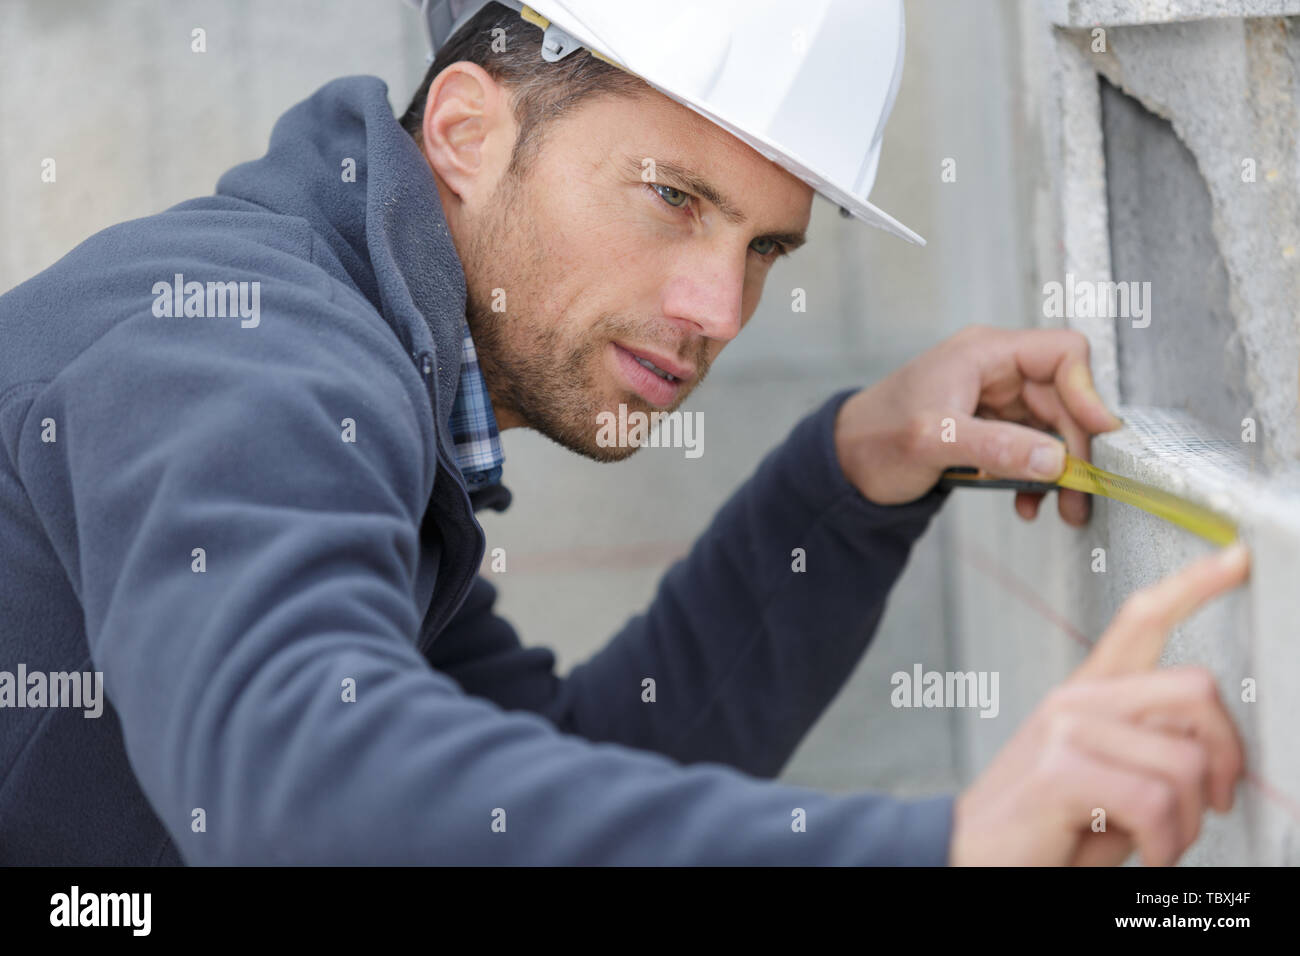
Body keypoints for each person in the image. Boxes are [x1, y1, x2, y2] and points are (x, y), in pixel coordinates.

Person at [0, 0, 1248, 865]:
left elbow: (553, 768)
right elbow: (300, 787)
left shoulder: (383, 378)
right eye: (673, 197)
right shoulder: (247, 354)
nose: (719, 309)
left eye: (763, 246)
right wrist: (945, 846)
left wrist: (848, 480)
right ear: (467, 132)